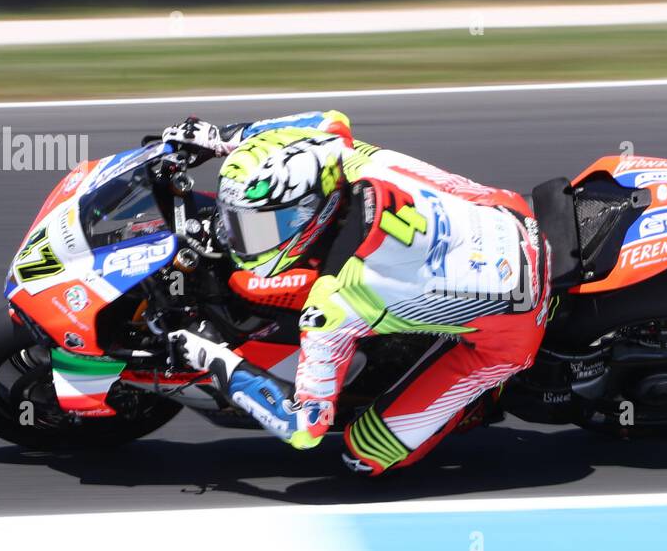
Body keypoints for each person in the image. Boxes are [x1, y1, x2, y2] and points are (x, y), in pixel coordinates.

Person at [163, 111, 551, 475]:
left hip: (516, 324)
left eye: (256, 228)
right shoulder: (345, 155)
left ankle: (478, 400)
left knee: (364, 454)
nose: (237, 238)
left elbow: (306, 427)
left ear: (310, 213)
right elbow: (329, 120)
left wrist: (213, 359)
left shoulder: (335, 300)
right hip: (506, 212)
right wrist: (226, 138)